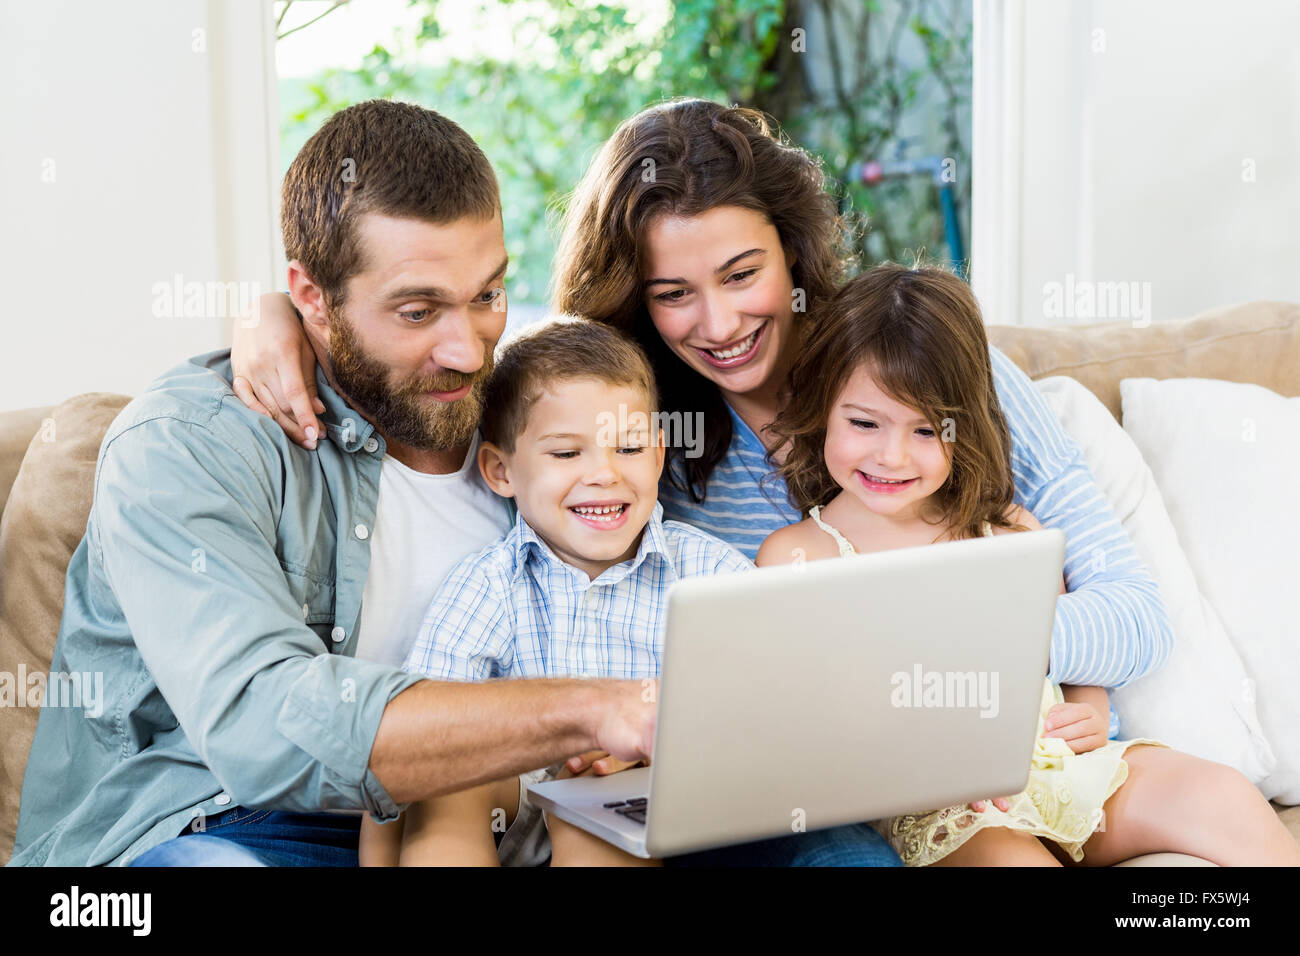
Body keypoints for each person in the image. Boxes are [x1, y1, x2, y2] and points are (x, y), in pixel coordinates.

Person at [234, 97, 1173, 864]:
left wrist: (980, 644)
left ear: (795, 255)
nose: (717, 322)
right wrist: (283, 316)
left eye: (742, 272)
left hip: (1004, 765)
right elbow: (513, 392)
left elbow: (1134, 619)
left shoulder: (931, 378)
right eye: (672, 294)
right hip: (800, 799)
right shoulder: (644, 438)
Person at [7, 100, 654, 868]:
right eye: (418, 311)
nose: (467, 350)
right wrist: (593, 712)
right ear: (311, 297)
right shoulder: (184, 447)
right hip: (225, 827)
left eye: (487, 295)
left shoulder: (536, 427)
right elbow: (263, 726)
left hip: (488, 828)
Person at [756, 263, 1300, 866]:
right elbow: (812, 726)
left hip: (1062, 770)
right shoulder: (797, 555)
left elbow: (1074, 654)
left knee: (1220, 792)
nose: (892, 455)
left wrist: (1088, 714)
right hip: (947, 808)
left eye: (926, 430)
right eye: (864, 423)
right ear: (821, 407)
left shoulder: (1008, 526)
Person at [362, 318, 753, 866]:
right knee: (445, 777)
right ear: (501, 471)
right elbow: (418, 748)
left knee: (596, 802)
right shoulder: (488, 584)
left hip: (636, 811)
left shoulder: (710, 575)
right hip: (508, 811)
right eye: (567, 454)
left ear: (660, 455)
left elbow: (765, 710)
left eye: (630, 448)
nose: (604, 474)